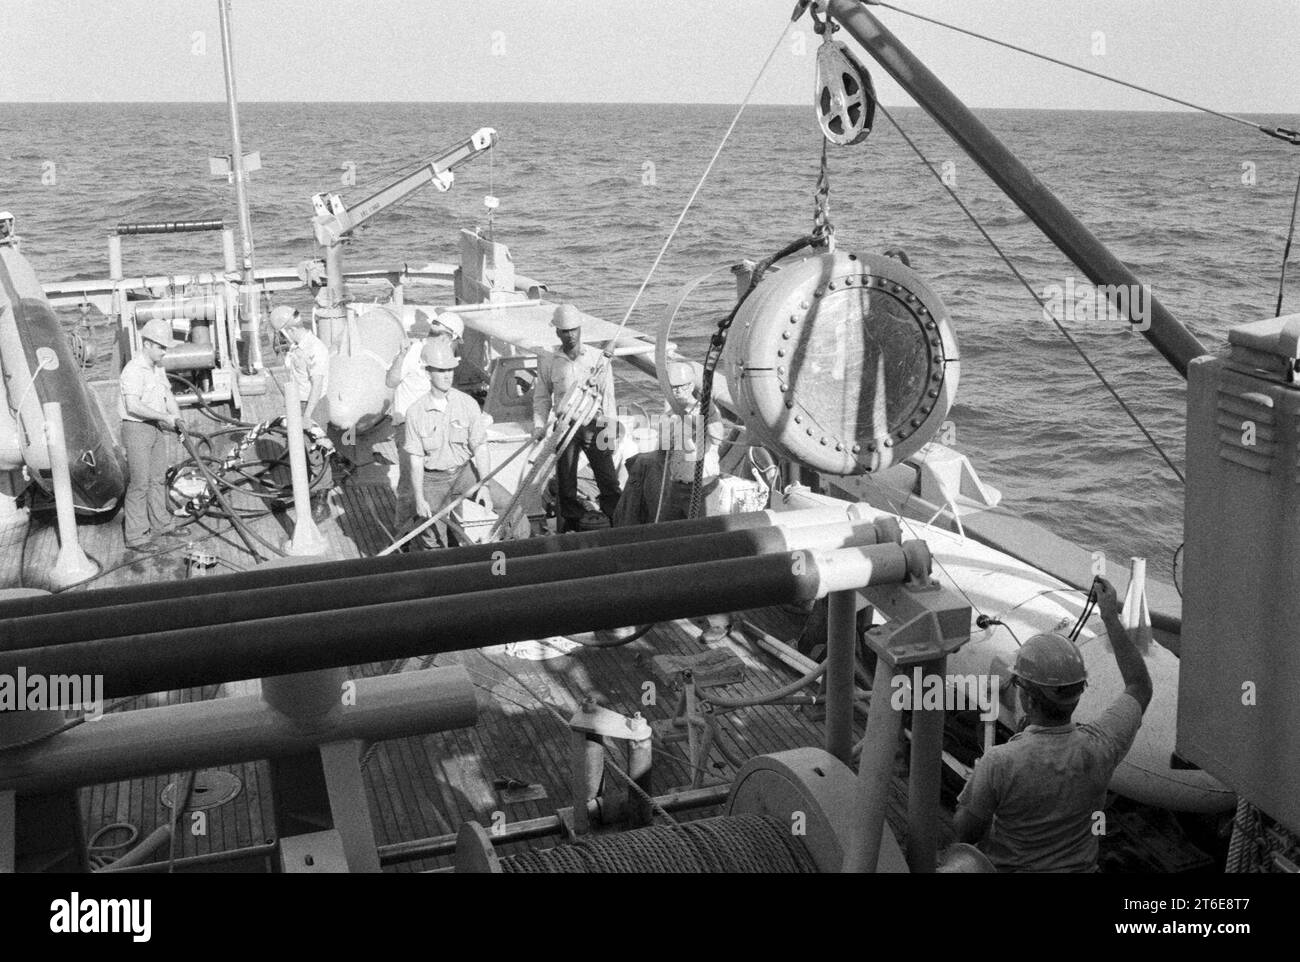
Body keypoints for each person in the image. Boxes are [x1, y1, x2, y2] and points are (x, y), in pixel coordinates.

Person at [953, 576, 1152, 872]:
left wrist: (974, 787)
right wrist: (1110, 617)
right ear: (1077, 692)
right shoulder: (1102, 746)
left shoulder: (999, 763)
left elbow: (965, 833)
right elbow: (1139, 686)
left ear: (1028, 699)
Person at [532, 303, 621, 531]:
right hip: (564, 426)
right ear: (557, 332)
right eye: (565, 331)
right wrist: (539, 425)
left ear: (580, 329)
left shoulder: (598, 359)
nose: (570, 335)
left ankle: (616, 519)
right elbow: (542, 396)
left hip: (595, 424)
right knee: (566, 483)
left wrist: (610, 432)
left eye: (574, 330)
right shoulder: (548, 361)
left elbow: (608, 397)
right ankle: (571, 524)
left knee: (608, 479)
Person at [404, 338, 493, 549]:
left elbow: (480, 447)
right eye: (441, 370)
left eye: (451, 370)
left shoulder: (468, 404)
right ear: (428, 373)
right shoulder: (415, 413)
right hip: (433, 480)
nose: (447, 375)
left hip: (465, 474)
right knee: (432, 536)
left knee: (510, 506)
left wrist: (485, 485)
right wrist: (419, 498)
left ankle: (510, 557)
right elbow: (415, 461)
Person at [119, 318, 184, 551]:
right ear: (147, 344)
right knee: (139, 483)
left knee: (158, 478)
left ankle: (161, 524)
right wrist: (164, 417)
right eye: (161, 347)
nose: (164, 352)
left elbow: (167, 394)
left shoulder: (157, 368)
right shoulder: (133, 371)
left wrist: (177, 418)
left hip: (155, 426)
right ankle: (136, 536)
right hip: (136, 429)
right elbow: (133, 406)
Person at [386, 313, 436, 525]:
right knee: (408, 483)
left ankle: (428, 527)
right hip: (407, 427)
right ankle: (402, 536)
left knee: (433, 480)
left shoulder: (443, 356)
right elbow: (391, 381)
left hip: (432, 426)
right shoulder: (414, 352)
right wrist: (401, 356)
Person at [268, 305, 328, 426]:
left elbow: (317, 385)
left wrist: (307, 416)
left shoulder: (315, 349)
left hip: (312, 407)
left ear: (291, 330)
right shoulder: (296, 345)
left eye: (282, 334)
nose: (282, 338)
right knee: (295, 440)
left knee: (313, 443)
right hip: (298, 402)